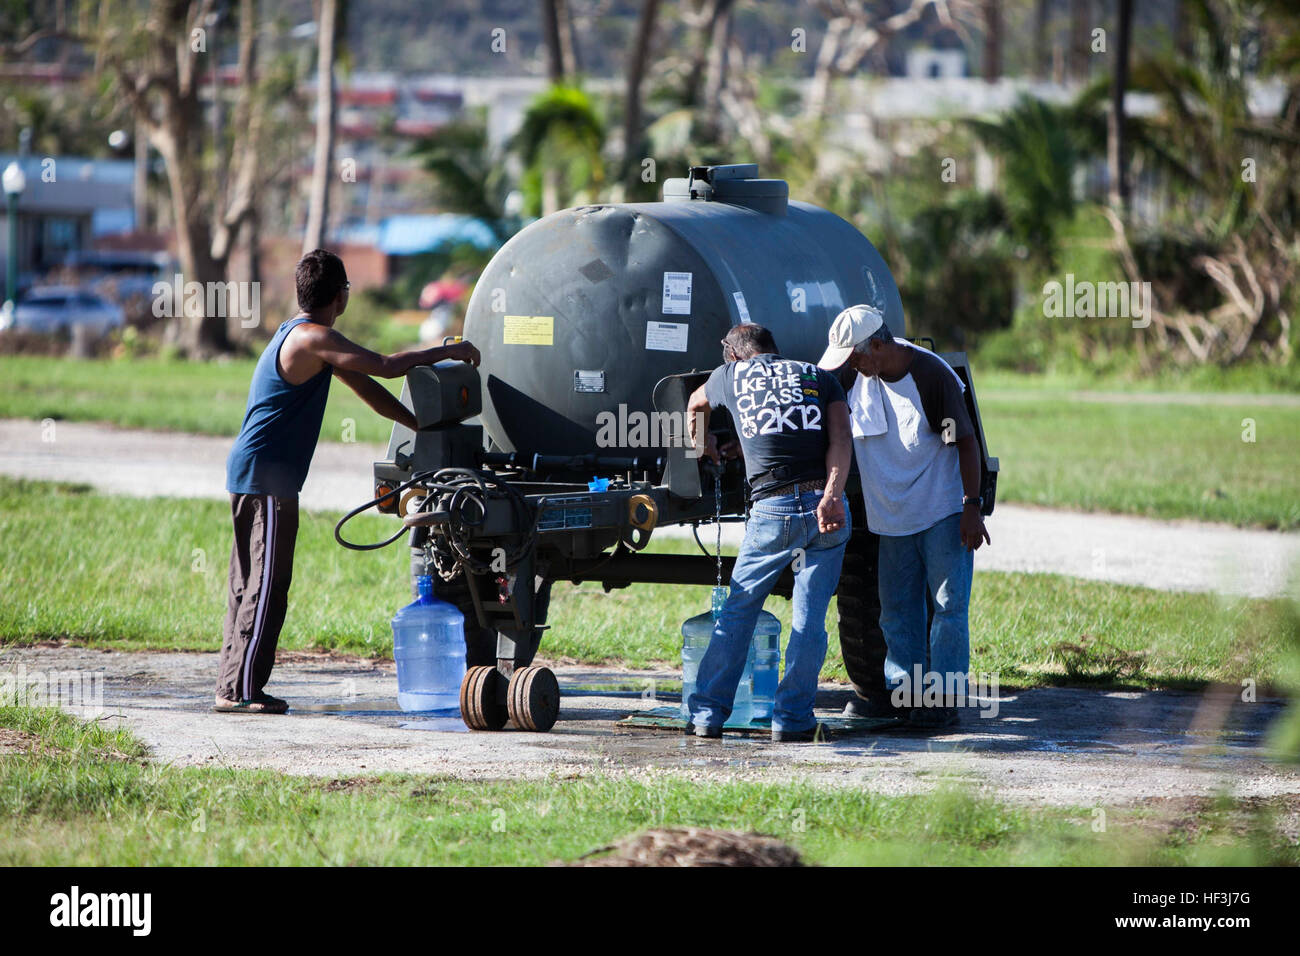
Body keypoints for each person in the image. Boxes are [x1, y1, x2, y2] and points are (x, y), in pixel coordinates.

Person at [215, 249, 481, 714]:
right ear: (341, 295)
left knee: (247, 583)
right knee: (266, 584)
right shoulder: (313, 338)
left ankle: (230, 687)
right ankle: (243, 692)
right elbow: (383, 363)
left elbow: (372, 390)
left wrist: (419, 425)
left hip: (251, 471)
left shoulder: (302, 337)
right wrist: (449, 350)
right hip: (268, 478)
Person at [817, 304, 990, 728]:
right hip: (890, 518)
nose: (851, 366)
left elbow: (966, 445)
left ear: (877, 345)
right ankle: (903, 695)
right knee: (897, 610)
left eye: (855, 357)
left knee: (948, 606)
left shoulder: (931, 378)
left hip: (942, 512)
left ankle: (942, 701)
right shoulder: (855, 375)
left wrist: (972, 507)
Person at [685, 323, 853, 742]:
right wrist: (832, 496)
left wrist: (700, 444)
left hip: (772, 509)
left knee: (739, 611)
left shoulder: (730, 375)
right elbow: (840, 438)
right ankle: (792, 720)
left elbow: (693, 403)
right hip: (824, 507)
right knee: (810, 620)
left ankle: (707, 715)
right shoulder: (819, 376)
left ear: (735, 353)